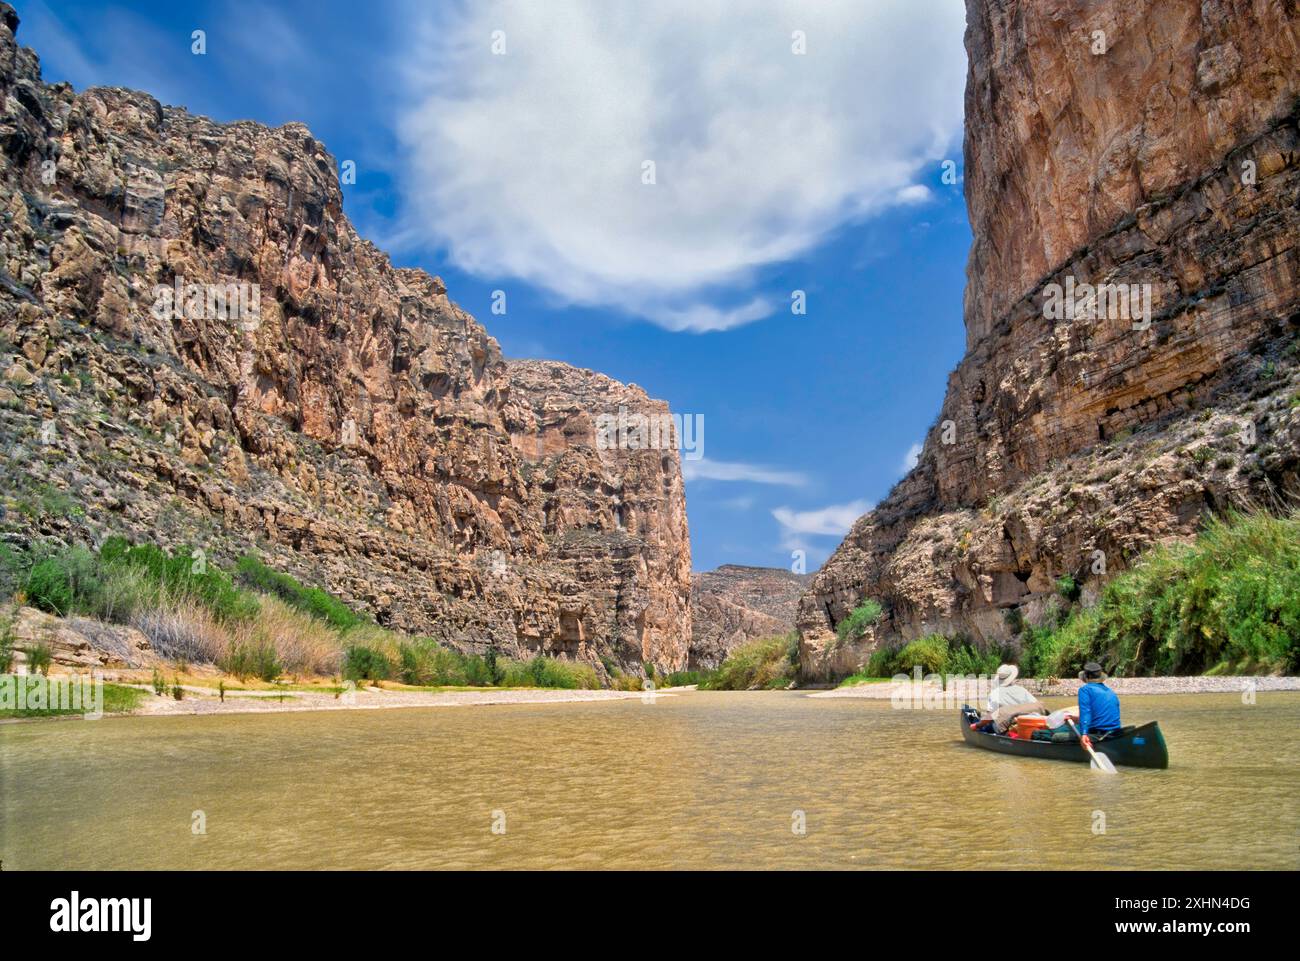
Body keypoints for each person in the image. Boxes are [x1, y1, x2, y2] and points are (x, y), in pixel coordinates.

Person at [1076, 661, 1121, 746]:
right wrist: (1075, 719)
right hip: (1115, 732)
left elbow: (1085, 712)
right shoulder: (1110, 691)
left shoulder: (1085, 690)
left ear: (1086, 677)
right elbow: (1102, 714)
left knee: (1057, 736)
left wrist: (1084, 734)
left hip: (1099, 734)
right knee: (1078, 726)